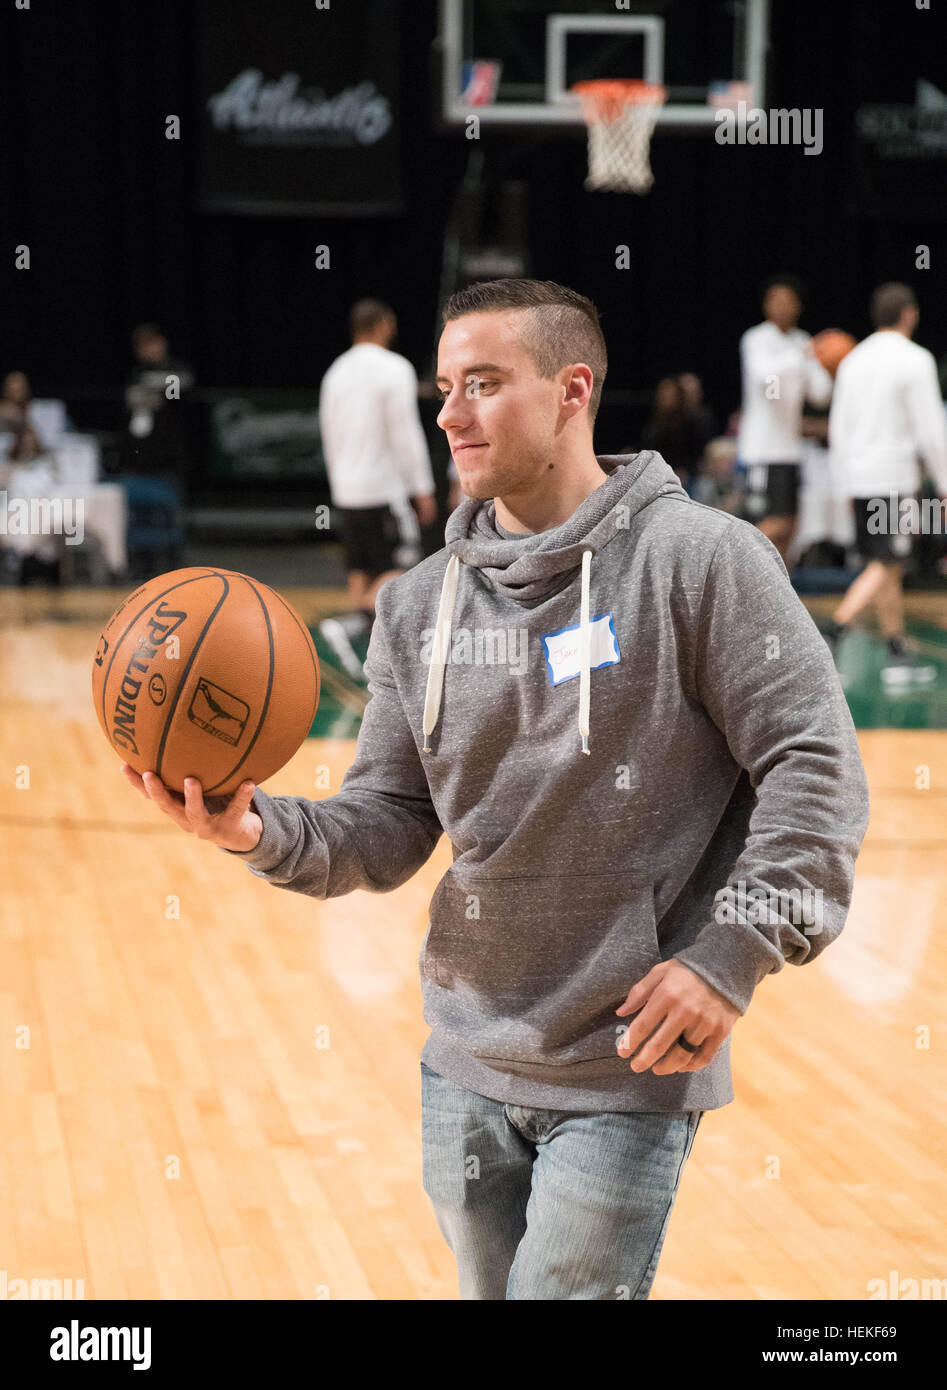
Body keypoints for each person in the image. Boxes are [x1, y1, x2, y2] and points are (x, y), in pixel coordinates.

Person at [121, 277, 870, 1301]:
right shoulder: (419, 603)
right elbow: (384, 823)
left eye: (481, 382)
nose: (447, 413)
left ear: (572, 391)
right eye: (442, 386)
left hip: (627, 1069)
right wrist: (252, 825)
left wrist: (727, 954)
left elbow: (815, 767)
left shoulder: (700, 562)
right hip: (464, 1064)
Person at [824, 283, 947, 685]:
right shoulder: (916, 360)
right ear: (908, 314)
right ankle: (834, 632)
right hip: (892, 477)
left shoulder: (853, 360)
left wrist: (842, 482)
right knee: (886, 562)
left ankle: (896, 649)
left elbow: (837, 427)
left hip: (859, 477)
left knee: (888, 565)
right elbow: (931, 431)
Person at [318, 299, 436, 679]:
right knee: (400, 569)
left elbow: (328, 432)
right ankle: (349, 627)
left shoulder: (335, 372)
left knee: (360, 567)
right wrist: (422, 487)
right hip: (385, 489)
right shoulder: (394, 368)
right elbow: (404, 432)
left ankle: (369, 657)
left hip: (347, 491)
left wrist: (338, 483)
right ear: (384, 326)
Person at [738, 276, 834, 563]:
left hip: (791, 452)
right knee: (767, 526)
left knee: (790, 528)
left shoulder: (803, 341)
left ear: (798, 306)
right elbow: (767, 383)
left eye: (788, 302)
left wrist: (822, 360)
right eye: (775, 301)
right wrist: (801, 357)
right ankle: (734, 573)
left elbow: (821, 394)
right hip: (763, 452)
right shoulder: (756, 339)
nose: (782, 307)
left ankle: (775, 596)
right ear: (766, 305)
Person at [125, 324, 195, 488]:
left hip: (169, 451)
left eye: (149, 343)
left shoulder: (177, 369)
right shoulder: (136, 373)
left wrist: (156, 387)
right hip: (141, 452)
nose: (145, 350)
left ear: (162, 343)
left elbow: (174, 397)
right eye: (140, 346)